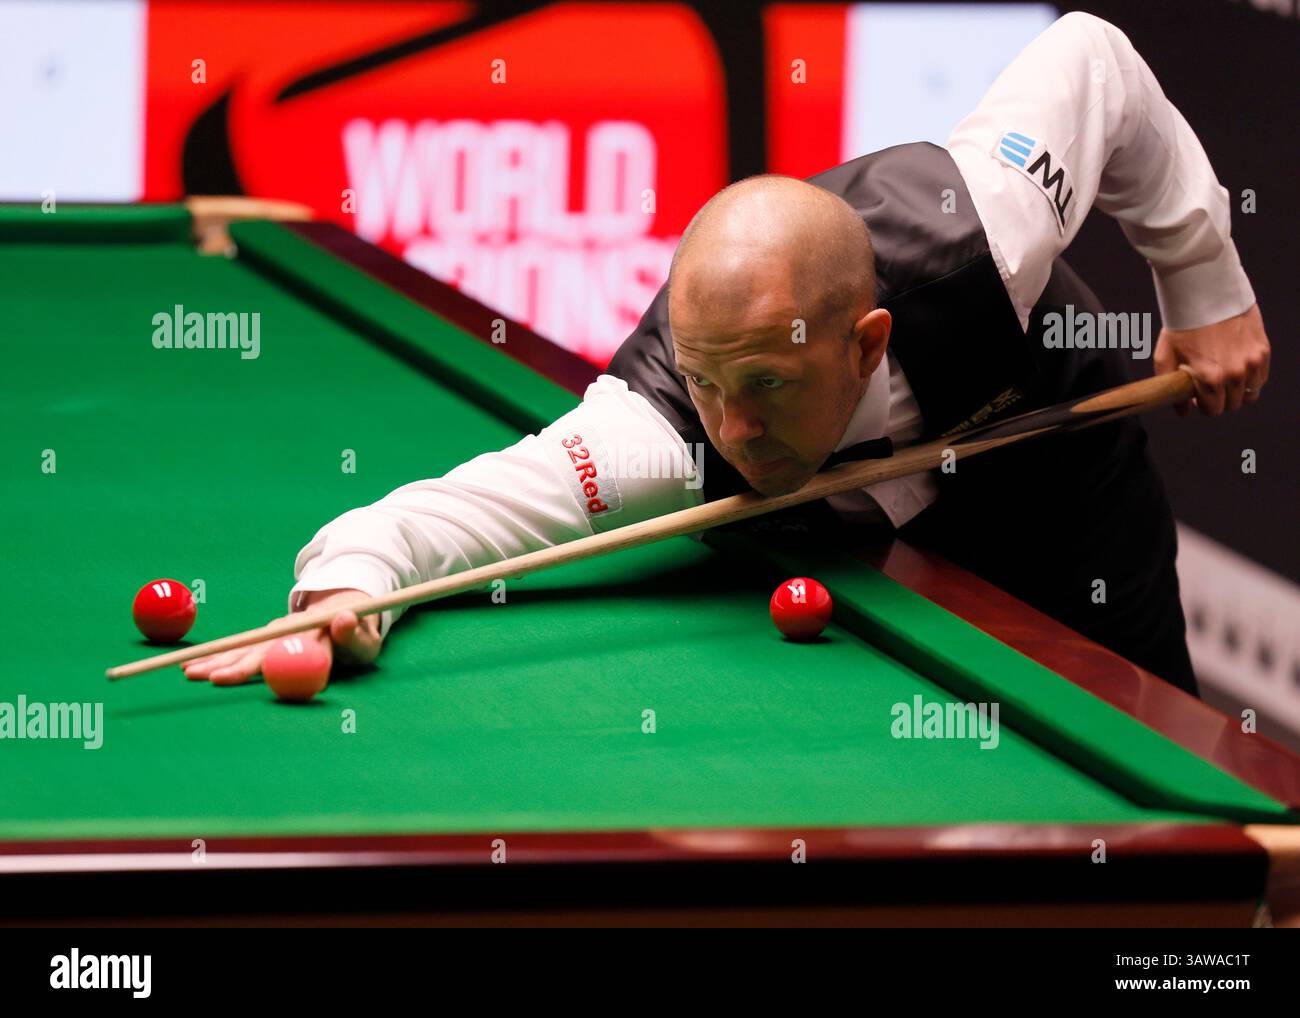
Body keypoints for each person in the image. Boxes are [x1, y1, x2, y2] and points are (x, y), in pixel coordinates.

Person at [185, 13, 1270, 696]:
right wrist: (349, 585)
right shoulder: (657, 427)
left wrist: (1205, 285)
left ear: (865, 343)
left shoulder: (979, 235)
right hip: (870, 541)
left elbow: (1095, 58)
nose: (735, 432)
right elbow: (451, 519)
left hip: (1056, 474)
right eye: (710, 383)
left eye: (766, 385)